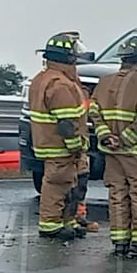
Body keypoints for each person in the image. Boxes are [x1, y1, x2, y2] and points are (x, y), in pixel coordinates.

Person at [90, 35, 137, 259]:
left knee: (118, 194)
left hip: (112, 151)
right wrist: (126, 139)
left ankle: (120, 242)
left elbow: (94, 112)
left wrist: (106, 137)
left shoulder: (105, 82)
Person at [27, 32, 88, 241]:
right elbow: (66, 123)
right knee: (57, 185)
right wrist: (75, 146)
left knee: (66, 184)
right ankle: (51, 225)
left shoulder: (41, 79)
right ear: (67, 57)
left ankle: (66, 222)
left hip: (47, 143)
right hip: (59, 145)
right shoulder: (60, 84)